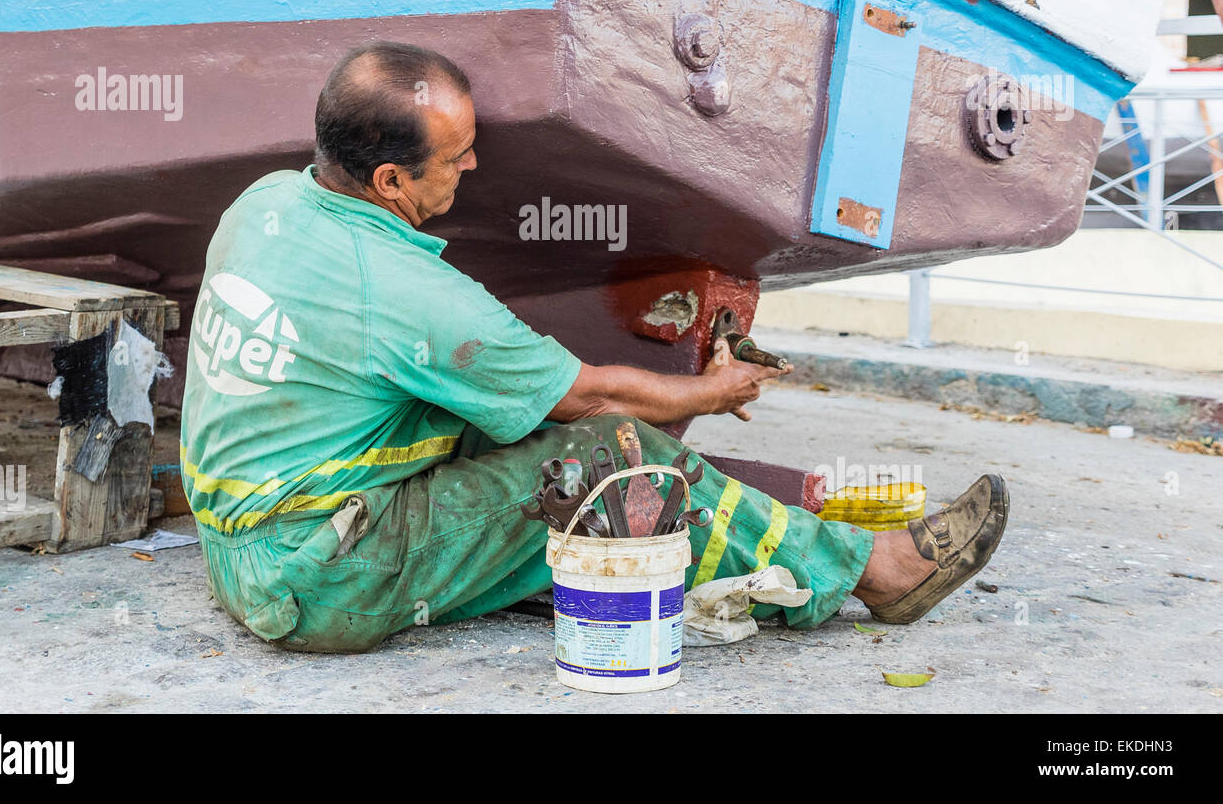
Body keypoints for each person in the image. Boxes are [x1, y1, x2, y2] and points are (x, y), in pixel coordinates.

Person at [180, 42, 1008, 652]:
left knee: (512, 425)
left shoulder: (266, 201)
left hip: (239, 547)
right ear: (390, 181)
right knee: (612, 455)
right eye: (456, 156)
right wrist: (709, 394)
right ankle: (875, 572)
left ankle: (689, 543)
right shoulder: (401, 289)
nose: (473, 165)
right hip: (318, 576)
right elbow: (589, 401)